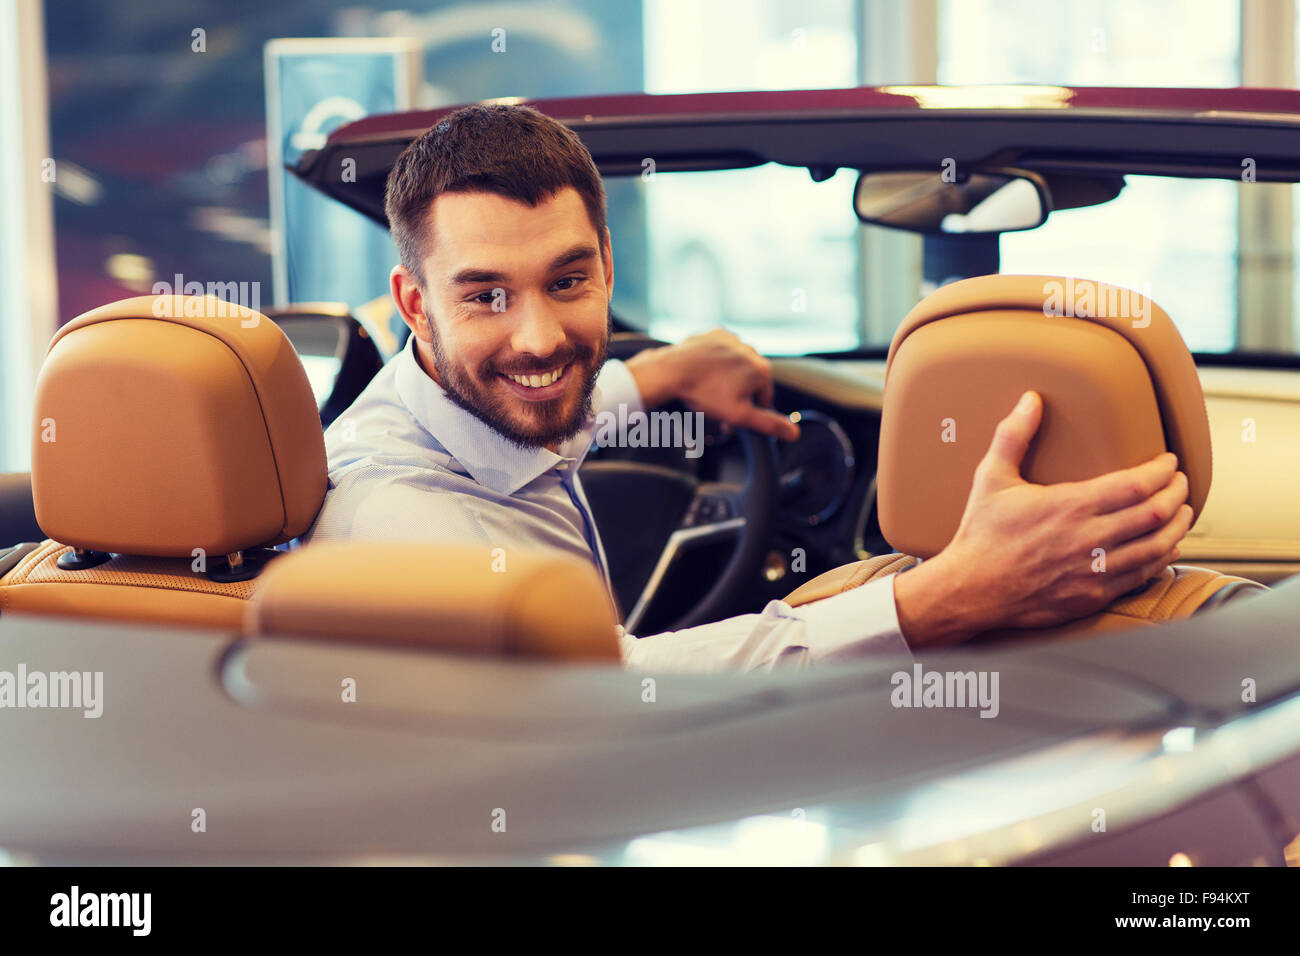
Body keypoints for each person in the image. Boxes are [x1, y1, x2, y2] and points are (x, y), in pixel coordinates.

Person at [305, 104, 1192, 671]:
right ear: (414, 304)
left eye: (567, 282)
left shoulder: (447, 406)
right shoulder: (400, 526)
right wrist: (948, 596)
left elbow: (535, 422)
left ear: (608, 266)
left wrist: (658, 376)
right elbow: (613, 699)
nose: (538, 337)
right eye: (487, 296)